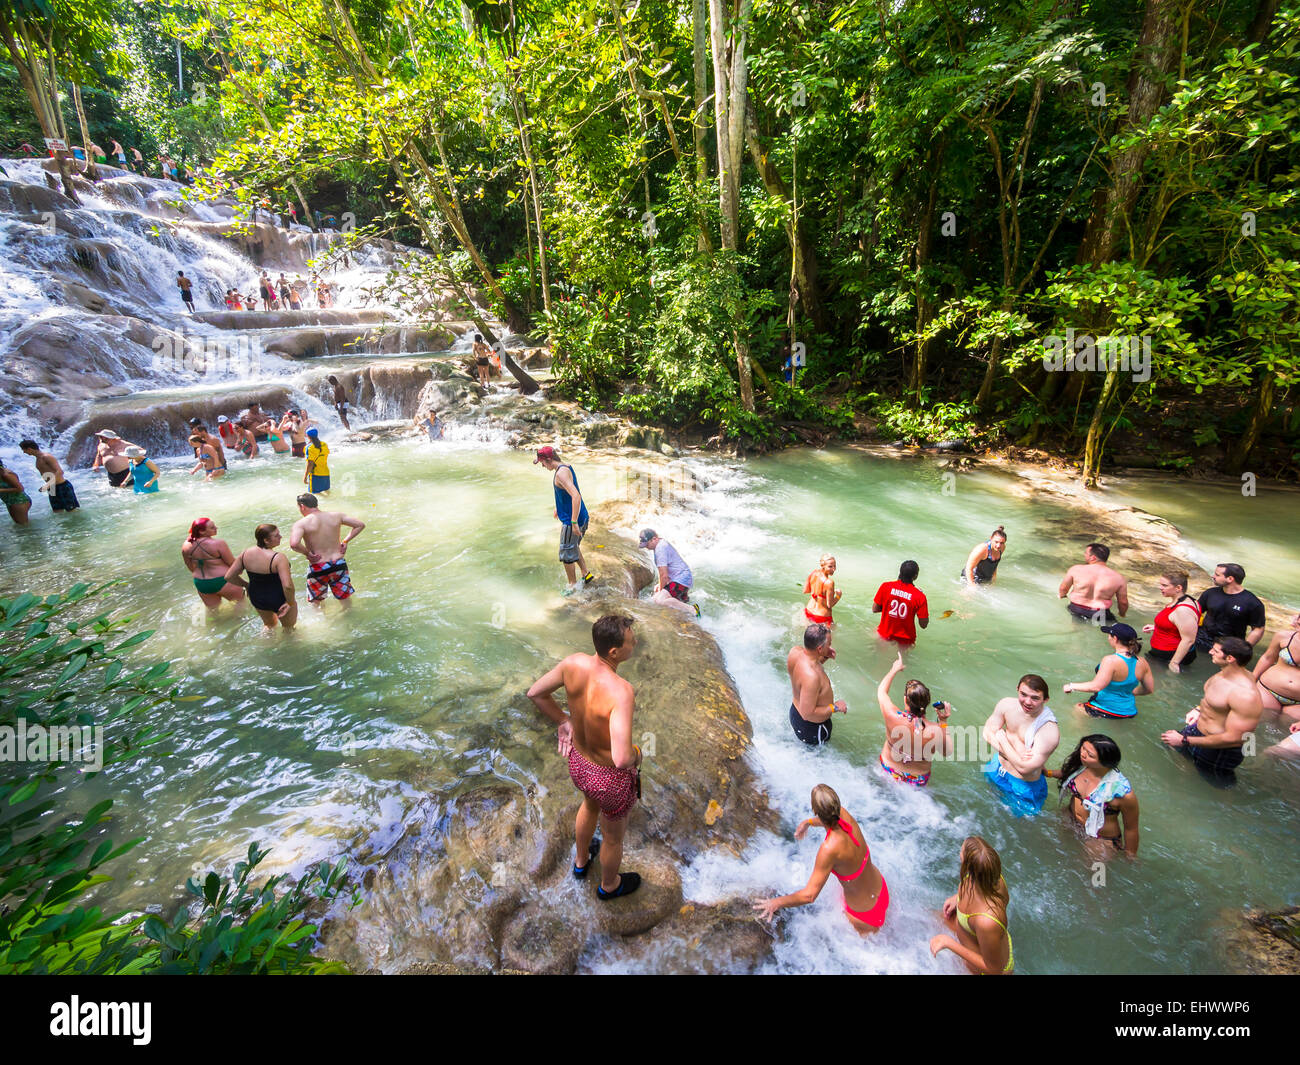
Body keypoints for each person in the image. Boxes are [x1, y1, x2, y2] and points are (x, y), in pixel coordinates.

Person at [526, 614, 643, 899]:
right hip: (609, 778)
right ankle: (609, 885)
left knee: (589, 806)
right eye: (631, 640)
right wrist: (638, 755)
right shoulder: (622, 691)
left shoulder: (573, 663)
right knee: (613, 838)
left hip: (579, 763)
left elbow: (536, 693)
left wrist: (563, 720)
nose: (635, 642)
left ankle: (580, 863)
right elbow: (621, 758)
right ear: (614, 652)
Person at [753, 784, 889, 933]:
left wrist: (777, 902)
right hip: (881, 890)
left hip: (863, 914)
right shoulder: (845, 814)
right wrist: (808, 822)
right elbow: (829, 818)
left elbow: (809, 895)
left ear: (815, 810)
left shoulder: (829, 849)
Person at [1160, 637, 1264, 783]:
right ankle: (1185, 776)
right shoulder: (1225, 671)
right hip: (1197, 730)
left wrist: (1184, 740)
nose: (1209, 652)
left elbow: (1237, 738)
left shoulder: (1245, 694)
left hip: (1220, 750)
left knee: (1215, 786)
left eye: (1215, 651)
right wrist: (1198, 709)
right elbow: (1216, 698)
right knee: (1168, 744)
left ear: (1230, 658)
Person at [930, 837, 1014, 974]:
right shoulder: (987, 877)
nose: (959, 853)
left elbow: (995, 969)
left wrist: (949, 943)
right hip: (973, 937)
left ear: (968, 865)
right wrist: (958, 898)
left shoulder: (987, 921)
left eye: (961, 851)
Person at [1046, 735, 1139, 857]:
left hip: (1100, 839)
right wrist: (1047, 773)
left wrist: (1130, 855)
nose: (1083, 754)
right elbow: (1068, 773)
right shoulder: (1082, 766)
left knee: (1094, 874)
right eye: (1083, 748)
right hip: (1070, 818)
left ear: (1105, 762)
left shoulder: (1122, 792)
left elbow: (1131, 828)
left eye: (1090, 755)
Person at [982, 674, 1060, 815]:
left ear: (1045, 699)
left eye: (1035, 698)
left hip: (1023, 785)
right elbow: (987, 732)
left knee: (1021, 826)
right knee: (990, 809)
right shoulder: (1006, 704)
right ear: (1017, 689)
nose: (1027, 702)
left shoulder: (1048, 730)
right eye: (1023, 694)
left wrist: (1003, 739)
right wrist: (1016, 757)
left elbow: (1024, 769)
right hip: (997, 767)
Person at [876, 652, 951, 786]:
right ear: (927, 703)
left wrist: (894, 669)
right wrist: (943, 722)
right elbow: (946, 752)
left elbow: (881, 691)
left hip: (888, 771)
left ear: (905, 700)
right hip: (916, 780)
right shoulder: (936, 730)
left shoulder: (892, 715)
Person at [534, 446, 595, 592]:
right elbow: (566, 493)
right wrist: (558, 508)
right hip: (582, 515)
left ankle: (572, 586)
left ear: (549, 460)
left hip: (572, 520)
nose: (542, 466)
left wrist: (573, 522)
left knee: (566, 554)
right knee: (573, 546)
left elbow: (576, 495)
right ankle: (586, 574)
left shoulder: (560, 474)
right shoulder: (566, 466)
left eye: (542, 463)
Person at [1063, 623, 1154, 719]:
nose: (1108, 638)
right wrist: (1130, 692)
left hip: (1105, 710)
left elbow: (1096, 686)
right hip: (1130, 712)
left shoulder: (1110, 660)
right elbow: (1149, 689)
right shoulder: (1143, 662)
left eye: (1109, 636)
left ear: (1115, 638)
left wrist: (1071, 686)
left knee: (1077, 708)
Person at [289, 493, 365, 606]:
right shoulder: (336, 516)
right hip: (338, 564)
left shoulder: (301, 523)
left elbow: (294, 544)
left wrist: (308, 553)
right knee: (345, 600)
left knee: (316, 602)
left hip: (318, 566)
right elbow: (360, 525)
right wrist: (345, 541)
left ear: (302, 506)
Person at [225, 524, 298, 630]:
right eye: (276, 535)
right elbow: (288, 586)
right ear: (266, 540)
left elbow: (229, 576)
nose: (280, 537)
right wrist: (290, 602)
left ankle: (266, 644)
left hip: (257, 596)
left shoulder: (246, 553)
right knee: (289, 628)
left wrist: (246, 585)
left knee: (269, 626)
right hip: (279, 598)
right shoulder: (278, 558)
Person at [786, 623, 846, 746]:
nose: (830, 646)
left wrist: (824, 656)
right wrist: (835, 707)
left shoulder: (795, 652)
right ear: (819, 648)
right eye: (829, 644)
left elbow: (809, 668)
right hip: (813, 728)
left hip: (795, 712)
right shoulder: (812, 677)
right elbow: (807, 713)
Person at [1196, 564, 1267, 651]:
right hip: (1202, 639)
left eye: (1217, 575)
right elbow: (1195, 613)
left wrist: (1243, 649)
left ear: (1230, 579)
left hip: (1230, 646)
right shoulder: (1210, 593)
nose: (1213, 576)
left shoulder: (1252, 603)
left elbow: (1258, 629)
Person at [1143, 571, 1201, 672]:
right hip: (1166, 652)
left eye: (1164, 585)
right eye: (1160, 584)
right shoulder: (1189, 600)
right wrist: (1157, 627)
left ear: (1178, 588)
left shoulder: (1182, 610)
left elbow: (1188, 640)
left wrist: (1174, 663)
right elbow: (1178, 625)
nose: (1160, 587)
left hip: (1168, 656)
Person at [182, 518, 244, 610]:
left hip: (201, 583)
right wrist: (240, 571)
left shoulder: (186, 545)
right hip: (223, 580)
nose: (216, 528)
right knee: (240, 605)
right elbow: (232, 563)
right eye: (212, 527)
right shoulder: (218, 543)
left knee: (213, 612)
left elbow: (190, 567)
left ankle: (213, 623)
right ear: (202, 531)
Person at [1059, 543, 1128, 622]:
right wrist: (1122, 614)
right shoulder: (1119, 578)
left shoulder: (1076, 569)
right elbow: (1123, 602)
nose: (1084, 555)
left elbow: (1063, 589)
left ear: (1093, 557)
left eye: (1086, 553)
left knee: (1077, 628)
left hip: (1076, 609)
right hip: (1100, 613)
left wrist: (1062, 596)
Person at [638, 529, 698, 617]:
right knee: (657, 591)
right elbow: (664, 573)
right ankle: (684, 612)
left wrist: (661, 591)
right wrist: (660, 586)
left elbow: (664, 575)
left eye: (647, 544)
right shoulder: (661, 543)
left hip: (681, 579)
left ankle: (693, 609)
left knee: (659, 600)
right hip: (681, 577)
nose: (646, 547)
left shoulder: (660, 550)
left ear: (654, 539)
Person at [1253, 611, 1300, 721]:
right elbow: (1267, 658)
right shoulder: (1284, 636)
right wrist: (1252, 679)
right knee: (1258, 725)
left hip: (1298, 703)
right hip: (1268, 690)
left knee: (1286, 732)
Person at [873, 560, 929, 643]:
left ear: (900, 572)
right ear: (915, 576)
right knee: (903, 656)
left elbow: (875, 609)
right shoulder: (919, 596)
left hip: (884, 635)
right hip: (905, 640)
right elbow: (923, 625)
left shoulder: (886, 586)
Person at [19, 440, 78, 512]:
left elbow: (60, 471)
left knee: (72, 511)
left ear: (29, 449)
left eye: (24, 450)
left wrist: (47, 485)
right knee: (57, 511)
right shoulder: (38, 459)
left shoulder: (46, 457)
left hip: (62, 486)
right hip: (52, 488)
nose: (24, 452)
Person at [803, 554, 841, 624]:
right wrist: (838, 596)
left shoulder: (814, 573)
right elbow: (830, 605)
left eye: (835, 566)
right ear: (823, 566)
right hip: (822, 617)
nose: (834, 569)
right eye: (830, 566)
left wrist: (817, 591)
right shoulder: (829, 582)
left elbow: (805, 591)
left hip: (808, 610)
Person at [0, 459, 32, 525]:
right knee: (19, 525)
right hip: (10, 501)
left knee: (24, 527)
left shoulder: (6, 474)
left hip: (19, 501)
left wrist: (2, 490)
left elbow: (20, 488)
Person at [304, 427, 330, 494]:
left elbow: (310, 464)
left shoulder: (309, 447)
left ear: (308, 436)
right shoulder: (324, 444)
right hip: (326, 472)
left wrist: (305, 476)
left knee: (315, 494)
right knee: (327, 492)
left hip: (315, 474)